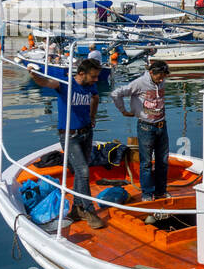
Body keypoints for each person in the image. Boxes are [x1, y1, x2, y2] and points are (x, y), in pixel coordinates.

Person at [28, 59, 106, 229]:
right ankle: (88, 209)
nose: (96, 80)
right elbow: (46, 82)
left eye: (97, 77)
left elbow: (96, 97)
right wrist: (34, 75)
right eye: (93, 76)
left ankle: (77, 209)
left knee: (81, 171)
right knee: (83, 170)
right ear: (81, 73)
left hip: (86, 132)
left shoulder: (90, 86)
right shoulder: (65, 84)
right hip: (70, 136)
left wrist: (93, 116)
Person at [112, 59, 170, 202]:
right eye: (159, 76)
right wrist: (124, 111)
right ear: (151, 73)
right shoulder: (139, 83)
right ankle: (147, 193)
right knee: (146, 162)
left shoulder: (161, 81)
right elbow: (116, 93)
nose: (162, 79)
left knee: (163, 160)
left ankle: (161, 191)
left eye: (164, 76)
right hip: (146, 127)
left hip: (162, 125)